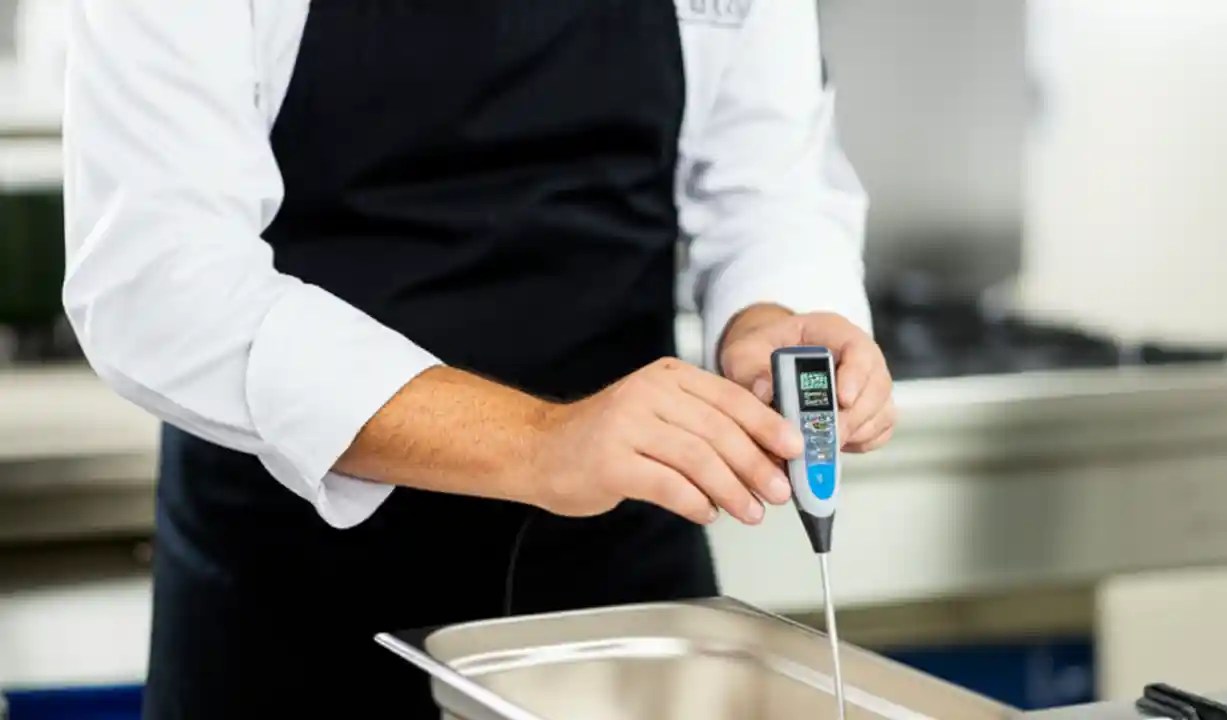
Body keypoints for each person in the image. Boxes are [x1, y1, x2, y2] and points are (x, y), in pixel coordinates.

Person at [61, 1, 896, 717]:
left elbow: (769, 186)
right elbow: (158, 278)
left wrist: (773, 316)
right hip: (293, 594)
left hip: (623, 594)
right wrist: (541, 441)